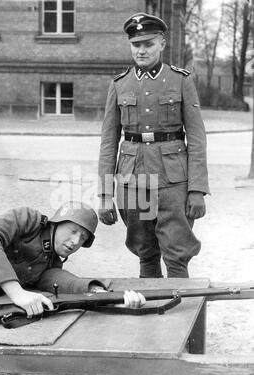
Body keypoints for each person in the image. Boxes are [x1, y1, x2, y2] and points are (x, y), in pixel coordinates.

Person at [98, 13, 210, 279]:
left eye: (148, 44)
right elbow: (108, 142)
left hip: (173, 180)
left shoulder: (181, 81)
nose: (142, 50)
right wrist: (104, 195)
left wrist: (197, 189)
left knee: (177, 252)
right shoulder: (119, 84)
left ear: (162, 44)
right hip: (133, 178)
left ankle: (180, 314)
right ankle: (149, 315)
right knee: (145, 252)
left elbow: (196, 138)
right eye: (136, 44)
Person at [0, 201, 145, 317]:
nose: (75, 242)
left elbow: (69, 284)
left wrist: (106, 296)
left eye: (83, 238)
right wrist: (17, 293)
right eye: (73, 231)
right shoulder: (27, 220)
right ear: (56, 224)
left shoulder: (50, 264)